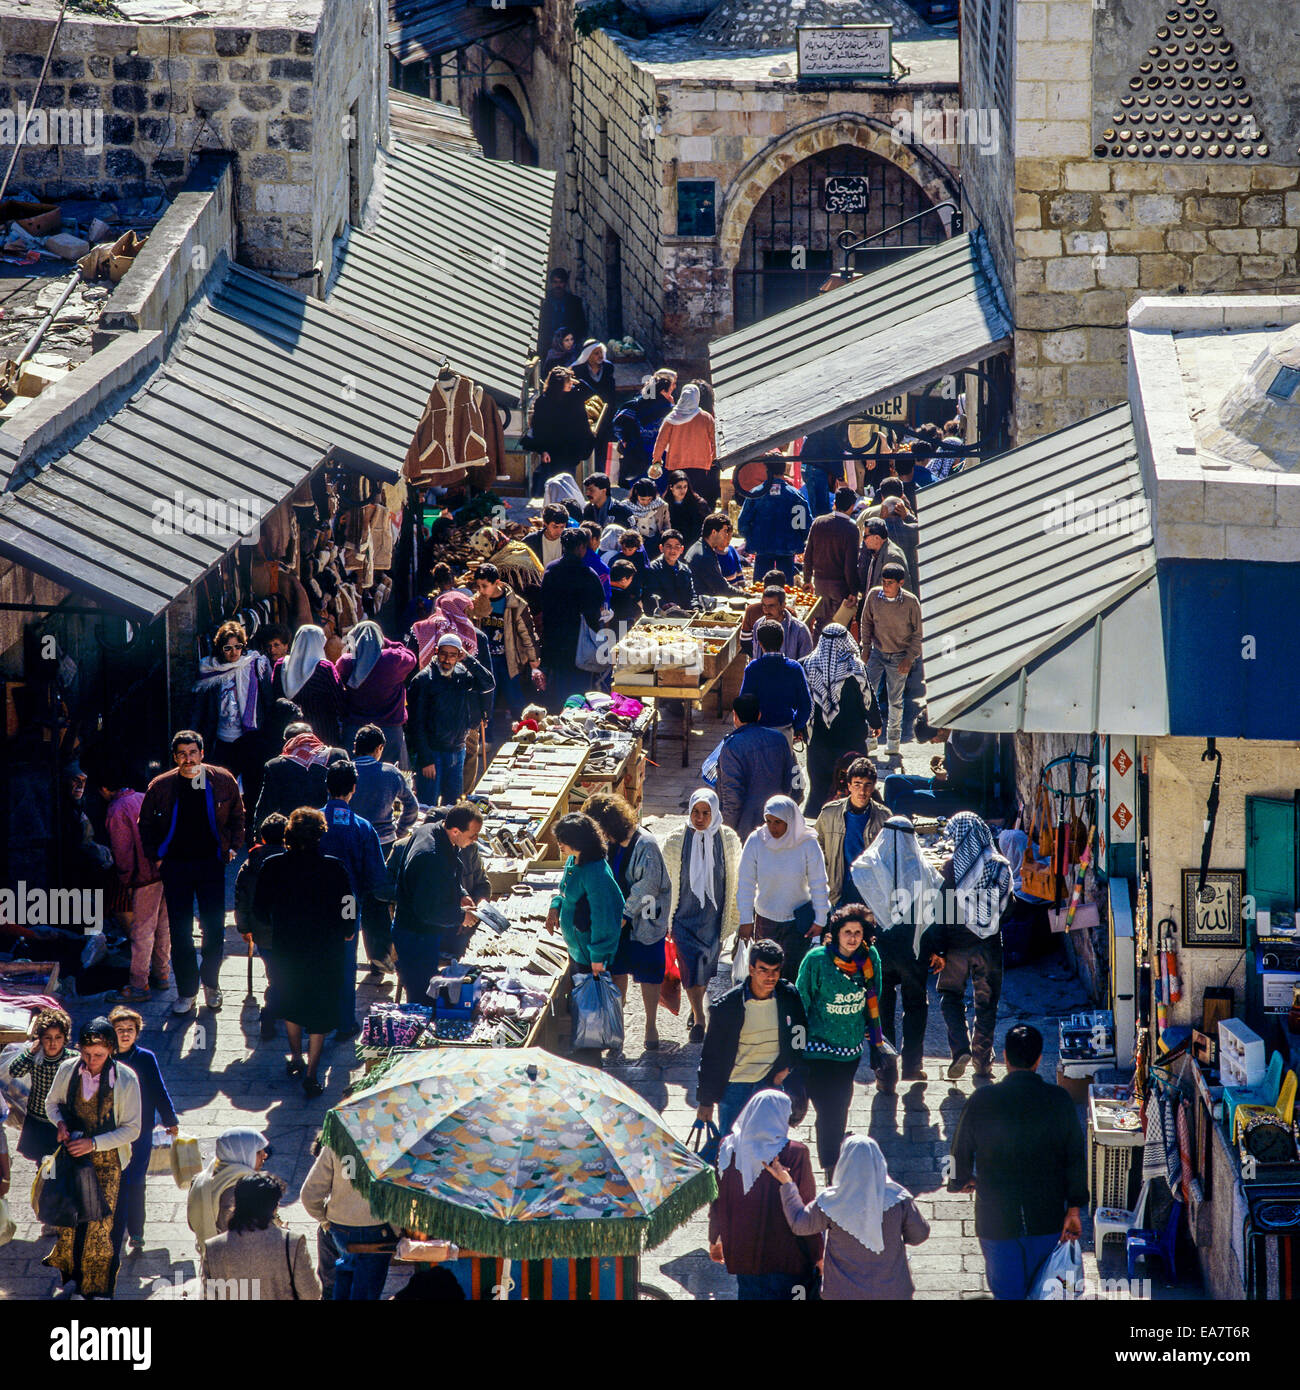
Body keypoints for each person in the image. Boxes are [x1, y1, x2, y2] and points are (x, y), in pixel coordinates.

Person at [949, 1024, 1088, 1300]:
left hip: (996, 1221)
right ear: (1039, 1060)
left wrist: (960, 1179)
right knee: (1047, 1291)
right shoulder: (1059, 1100)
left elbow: (957, 1152)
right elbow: (1075, 1157)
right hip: (1046, 1219)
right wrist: (1074, 1208)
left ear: (1004, 1057)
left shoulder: (982, 1099)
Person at [138, 730, 244, 1016]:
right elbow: (144, 824)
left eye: (193, 752)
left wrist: (233, 847)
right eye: (182, 754)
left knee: (213, 929)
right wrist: (156, 857)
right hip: (176, 866)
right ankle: (186, 991)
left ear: (202, 753)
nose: (188, 759)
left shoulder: (222, 780)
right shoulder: (161, 786)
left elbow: (237, 815)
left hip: (211, 864)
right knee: (181, 932)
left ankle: (211, 985)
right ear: (175, 757)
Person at [252, 808, 355, 1098]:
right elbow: (348, 905)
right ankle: (312, 1074)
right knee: (320, 1010)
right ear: (321, 834)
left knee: (292, 1002)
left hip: (287, 948)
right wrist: (347, 929)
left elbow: (259, 909)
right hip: (326, 951)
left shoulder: (273, 866)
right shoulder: (335, 867)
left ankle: (296, 1058)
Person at [43, 1017, 142, 1300]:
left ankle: (97, 1289)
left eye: (98, 1055)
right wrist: (60, 1124)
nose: (91, 1060)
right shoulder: (67, 1070)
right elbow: (53, 1104)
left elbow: (131, 1129)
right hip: (73, 1158)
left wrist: (94, 1143)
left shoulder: (126, 1080)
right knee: (73, 1224)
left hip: (108, 1162)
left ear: (111, 1050)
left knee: (101, 1227)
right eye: (86, 1054)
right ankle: (76, 1282)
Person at [768, 1133, 930, 1300]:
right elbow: (920, 1235)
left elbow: (799, 1225)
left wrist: (787, 1184)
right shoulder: (898, 1198)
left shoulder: (831, 1200)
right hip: (892, 1291)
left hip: (842, 1293)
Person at [795, 905, 888, 1179]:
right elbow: (801, 1002)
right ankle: (830, 1164)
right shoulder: (816, 961)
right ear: (835, 934)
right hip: (816, 1051)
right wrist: (795, 1049)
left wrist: (875, 1041)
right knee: (830, 1109)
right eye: (847, 932)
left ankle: (832, 1152)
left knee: (840, 1105)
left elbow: (876, 996)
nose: (852, 938)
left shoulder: (871, 960)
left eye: (857, 932)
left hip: (849, 1053)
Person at [850, 814, 942, 1088]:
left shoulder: (865, 869)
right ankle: (912, 1065)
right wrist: (939, 949)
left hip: (878, 951)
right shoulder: (926, 872)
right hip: (914, 950)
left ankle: (885, 1071)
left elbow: (851, 909)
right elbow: (939, 913)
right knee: (916, 1005)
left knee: (881, 1009)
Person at [922, 812, 1012, 1081]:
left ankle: (960, 1047)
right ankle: (983, 1063)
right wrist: (988, 920)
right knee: (987, 1004)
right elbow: (1010, 908)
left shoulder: (950, 868)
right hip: (989, 948)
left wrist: (939, 949)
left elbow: (941, 912)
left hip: (956, 948)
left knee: (950, 996)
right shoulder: (1000, 865)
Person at [708, 1088, 820, 1301]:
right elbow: (806, 1208)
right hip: (788, 1256)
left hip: (744, 1253)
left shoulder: (727, 1147)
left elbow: (718, 1197)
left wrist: (715, 1238)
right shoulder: (794, 1153)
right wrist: (818, 1254)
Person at [586, 793, 672, 1053]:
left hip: (644, 920)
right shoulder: (609, 845)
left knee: (649, 973)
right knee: (617, 970)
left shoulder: (646, 845)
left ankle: (651, 1025)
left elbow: (648, 886)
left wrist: (624, 915)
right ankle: (616, 1025)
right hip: (618, 922)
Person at [695, 939, 807, 1138]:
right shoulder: (727, 1006)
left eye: (775, 970)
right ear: (751, 969)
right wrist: (705, 1101)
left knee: (771, 1145)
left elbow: (800, 1036)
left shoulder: (789, 997)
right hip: (735, 1086)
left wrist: (787, 1068)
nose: (770, 977)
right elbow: (711, 1056)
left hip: (771, 1082)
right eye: (763, 970)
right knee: (731, 1150)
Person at [663, 790, 742, 1044]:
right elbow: (666, 882)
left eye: (705, 813)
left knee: (705, 969)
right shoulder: (676, 840)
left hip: (714, 918)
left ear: (714, 812)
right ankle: (699, 1018)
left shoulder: (727, 839)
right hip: (683, 917)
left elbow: (737, 879)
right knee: (688, 967)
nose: (699, 818)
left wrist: (741, 914)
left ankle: (695, 1005)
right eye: (695, 812)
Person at [320, 761, 391, 1040]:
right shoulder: (362, 827)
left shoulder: (311, 821)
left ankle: (317, 1018)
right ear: (353, 789)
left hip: (313, 903)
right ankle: (345, 1022)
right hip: (349, 904)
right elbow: (376, 876)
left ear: (327, 786)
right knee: (346, 963)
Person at [390, 802, 484, 1006]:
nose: (475, 840)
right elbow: (428, 912)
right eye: (472, 835)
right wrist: (461, 916)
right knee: (421, 997)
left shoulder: (435, 830)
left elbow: (448, 875)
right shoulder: (430, 857)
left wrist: (461, 894)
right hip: (416, 935)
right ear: (456, 831)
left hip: (424, 932)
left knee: (426, 990)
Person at [107, 1006, 178, 1257]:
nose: (125, 1035)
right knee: (113, 1180)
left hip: (140, 1131)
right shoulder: (103, 1058)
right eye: (119, 1030)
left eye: (130, 1030)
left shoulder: (145, 1058)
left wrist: (170, 1119)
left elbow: (159, 1089)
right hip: (110, 1132)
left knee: (136, 1181)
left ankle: (136, 1231)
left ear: (137, 1033)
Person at [98, 762, 170, 1003]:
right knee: (163, 927)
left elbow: (122, 850)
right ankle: (162, 975)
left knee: (142, 931)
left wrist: (127, 879)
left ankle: (139, 984)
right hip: (167, 871)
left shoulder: (116, 808)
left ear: (106, 789)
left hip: (144, 876)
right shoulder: (145, 797)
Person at [737, 795, 830, 983]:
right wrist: (746, 919)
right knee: (766, 975)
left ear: (790, 820)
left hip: (797, 923)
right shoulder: (756, 841)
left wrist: (821, 918)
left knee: (791, 974)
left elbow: (818, 883)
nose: (773, 827)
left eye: (778, 822)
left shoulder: (808, 843)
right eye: (769, 821)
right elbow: (746, 883)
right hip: (766, 919)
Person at [191, 619, 274, 819]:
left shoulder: (255, 664)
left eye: (238, 647)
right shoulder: (209, 670)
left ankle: (250, 826)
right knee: (219, 786)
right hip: (221, 738)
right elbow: (200, 709)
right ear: (220, 649)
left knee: (254, 786)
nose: (234, 653)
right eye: (228, 648)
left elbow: (268, 699)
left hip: (249, 737)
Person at [202, 1173, 321, 1301]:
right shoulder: (291, 1243)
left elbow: (208, 1296)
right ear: (274, 1208)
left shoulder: (213, 1248)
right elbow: (311, 1293)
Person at [300, 1139, 393, 1302]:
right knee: (368, 1290)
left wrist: (325, 1220)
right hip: (379, 1229)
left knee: (343, 1281)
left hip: (341, 1228)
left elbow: (309, 1194)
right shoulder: (394, 1142)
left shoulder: (337, 1141)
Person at [406, 634, 494, 805]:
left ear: (458, 655)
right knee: (428, 806)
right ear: (436, 652)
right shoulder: (423, 680)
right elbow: (415, 725)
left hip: (457, 751)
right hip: (433, 753)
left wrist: (468, 660)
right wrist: (426, 759)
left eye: (453, 655)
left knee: (452, 807)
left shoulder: (461, 674)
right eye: (444, 654)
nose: (447, 660)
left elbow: (488, 684)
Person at [800, 623, 877, 816]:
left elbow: (801, 702)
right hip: (851, 744)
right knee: (853, 791)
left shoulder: (806, 666)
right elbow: (868, 700)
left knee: (818, 790)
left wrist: (799, 729)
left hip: (819, 744)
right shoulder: (857, 669)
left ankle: (814, 831)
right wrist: (876, 723)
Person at [545, 813, 625, 988]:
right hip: (576, 951)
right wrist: (555, 907)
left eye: (563, 840)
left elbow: (603, 918)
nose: (559, 844)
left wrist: (598, 958)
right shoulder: (573, 860)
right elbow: (565, 893)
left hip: (590, 959)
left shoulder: (596, 872)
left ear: (578, 841)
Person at [538, 527, 606, 711]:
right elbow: (595, 612)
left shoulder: (551, 570)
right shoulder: (587, 574)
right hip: (578, 643)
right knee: (579, 692)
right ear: (582, 547)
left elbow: (543, 603)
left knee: (558, 688)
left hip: (554, 641)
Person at [235, 811, 288, 1041]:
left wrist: (243, 928)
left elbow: (241, 899)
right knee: (284, 974)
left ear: (262, 838)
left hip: (261, 930)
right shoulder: (291, 862)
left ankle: (275, 1007)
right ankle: (272, 1011)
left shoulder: (250, 864)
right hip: (289, 931)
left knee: (274, 972)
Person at [717, 693, 799, 841]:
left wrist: (725, 832)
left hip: (746, 831)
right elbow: (794, 781)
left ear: (735, 716)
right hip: (778, 824)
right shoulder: (779, 739)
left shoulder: (732, 747)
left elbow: (732, 797)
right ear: (759, 715)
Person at [883, 714, 998, 819]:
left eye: (932, 739)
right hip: (948, 785)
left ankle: (900, 834)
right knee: (892, 782)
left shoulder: (965, 742)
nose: (933, 743)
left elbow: (961, 780)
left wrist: (943, 776)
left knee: (904, 800)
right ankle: (886, 824)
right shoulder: (950, 738)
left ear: (941, 731)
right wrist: (944, 762)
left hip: (965, 798)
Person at [860, 563, 922, 757]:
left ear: (900, 583)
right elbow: (866, 622)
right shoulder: (873, 596)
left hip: (899, 655)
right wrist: (866, 647)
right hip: (877, 653)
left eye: (890, 583)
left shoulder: (911, 603)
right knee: (867, 696)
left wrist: (909, 658)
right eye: (884, 582)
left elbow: (918, 634)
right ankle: (869, 738)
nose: (886, 586)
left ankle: (893, 740)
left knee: (895, 700)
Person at [471, 562, 541, 734]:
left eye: (485, 586)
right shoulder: (476, 603)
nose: (481, 590)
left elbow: (527, 633)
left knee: (516, 699)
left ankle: (526, 733)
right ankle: (485, 739)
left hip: (508, 659)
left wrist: (533, 659)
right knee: (487, 700)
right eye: (478, 586)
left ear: (498, 583)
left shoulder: (515, 604)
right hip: (485, 660)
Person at [335, 619, 417, 766]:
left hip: (355, 730)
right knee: (393, 776)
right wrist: (386, 642)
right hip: (390, 731)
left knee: (355, 778)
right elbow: (411, 657)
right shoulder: (393, 659)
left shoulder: (346, 662)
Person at [815, 756, 890, 909]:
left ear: (874, 786)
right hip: (838, 887)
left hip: (870, 888)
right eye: (857, 784)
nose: (862, 791)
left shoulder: (884, 817)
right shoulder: (829, 813)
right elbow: (816, 847)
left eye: (868, 785)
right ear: (849, 786)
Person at [4, 1007, 75, 1163]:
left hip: (62, 1120)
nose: (53, 1043)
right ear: (40, 1039)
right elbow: (14, 1071)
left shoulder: (73, 1060)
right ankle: (43, 1186)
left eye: (58, 1037)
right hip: (38, 1119)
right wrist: (32, 1051)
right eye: (47, 1038)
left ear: (65, 1038)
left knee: (60, 1162)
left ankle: (51, 1187)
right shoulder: (36, 1058)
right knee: (42, 1162)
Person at [188, 1128, 272, 1253]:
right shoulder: (242, 1191)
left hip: (212, 1258)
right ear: (244, 1153)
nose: (265, 1155)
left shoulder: (201, 1179)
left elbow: (192, 1224)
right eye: (259, 1151)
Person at [253, 722, 347, 825]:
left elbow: (266, 806)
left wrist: (258, 833)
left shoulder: (275, 765)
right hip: (330, 825)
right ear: (312, 736)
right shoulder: (337, 755)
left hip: (293, 830)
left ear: (286, 741)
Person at [737, 452, 811, 582]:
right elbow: (804, 525)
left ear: (766, 469)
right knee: (786, 589)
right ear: (784, 469)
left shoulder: (756, 493)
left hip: (762, 548)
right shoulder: (795, 495)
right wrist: (798, 539)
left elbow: (743, 523)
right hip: (787, 549)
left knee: (760, 587)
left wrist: (750, 537)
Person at [740, 620, 812, 747]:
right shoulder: (794, 668)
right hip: (785, 732)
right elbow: (805, 705)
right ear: (782, 640)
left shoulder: (753, 669)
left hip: (758, 733)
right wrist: (795, 726)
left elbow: (744, 705)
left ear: (760, 643)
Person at [270, 624, 343, 747]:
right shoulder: (324, 668)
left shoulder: (280, 665)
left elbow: (275, 698)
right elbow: (338, 699)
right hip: (323, 733)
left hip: (290, 733)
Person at [802, 486, 860, 636]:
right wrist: (853, 590)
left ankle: (816, 656)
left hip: (820, 584)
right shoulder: (851, 529)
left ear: (835, 503)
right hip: (840, 587)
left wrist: (807, 579)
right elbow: (850, 565)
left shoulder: (819, 522)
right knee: (839, 628)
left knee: (819, 624)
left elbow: (808, 554)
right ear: (852, 507)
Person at [652, 383, 718, 505]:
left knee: (677, 497)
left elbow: (660, 442)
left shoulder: (671, 418)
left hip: (676, 465)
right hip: (700, 465)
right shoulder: (706, 418)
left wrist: (656, 460)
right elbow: (715, 442)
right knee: (697, 497)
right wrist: (713, 459)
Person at [528, 366, 596, 485]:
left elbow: (591, 392)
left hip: (572, 448)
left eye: (571, 381)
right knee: (554, 482)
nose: (570, 384)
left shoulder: (574, 395)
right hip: (554, 449)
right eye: (567, 382)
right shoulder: (544, 401)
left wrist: (576, 381)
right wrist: (543, 450)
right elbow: (538, 428)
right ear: (558, 384)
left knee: (568, 480)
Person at [611, 369, 675, 486]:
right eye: (669, 390)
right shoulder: (668, 409)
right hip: (660, 456)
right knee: (658, 488)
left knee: (639, 489)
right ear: (661, 391)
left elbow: (617, 424)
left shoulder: (633, 406)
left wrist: (624, 440)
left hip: (636, 454)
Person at [409, 590, 479, 672]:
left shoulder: (421, 627)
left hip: (425, 679)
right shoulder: (470, 633)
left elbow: (409, 660)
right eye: (465, 610)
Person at [740, 581, 812, 661]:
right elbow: (756, 655)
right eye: (764, 605)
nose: (766, 610)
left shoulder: (800, 630)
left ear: (783, 605)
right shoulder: (758, 624)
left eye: (771, 606)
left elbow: (805, 664)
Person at [572, 340, 618, 459]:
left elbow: (611, 390)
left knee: (604, 441)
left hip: (606, 409)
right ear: (588, 355)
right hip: (588, 412)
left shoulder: (608, 367)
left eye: (601, 353)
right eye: (596, 353)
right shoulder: (578, 370)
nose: (600, 356)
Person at [798, 420, 848, 519]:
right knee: (821, 510)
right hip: (816, 466)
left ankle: (819, 529)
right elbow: (833, 450)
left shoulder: (824, 420)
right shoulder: (835, 424)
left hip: (810, 464)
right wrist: (840, 477)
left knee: (817, 507)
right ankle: (821, 531)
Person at [640, 528, 697, 614]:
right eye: (668, 546)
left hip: (683, 616)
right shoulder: (653, 569)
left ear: (682, 549)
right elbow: (651, 596)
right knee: (622, 625)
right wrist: (666, 605)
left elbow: (692, 594)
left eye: (676, 546)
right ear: (661, 548)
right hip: (661, 617)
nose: (673, 550)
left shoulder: (685, 570)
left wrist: (696, 607)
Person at [686, 513, 745, 595]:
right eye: (724, 531)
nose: (727, 535)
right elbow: (722, 588)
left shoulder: (700, 547)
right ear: (714, 532)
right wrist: (748, 596)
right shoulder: (705, 556)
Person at [536, 266, 587, 359]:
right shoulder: (545, 302)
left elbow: (581, 325)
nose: (558, 285)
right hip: (549, 347)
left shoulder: (575, 302)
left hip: (570, 348)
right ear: (551, 283)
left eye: (561, 282)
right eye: (555, 282)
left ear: (565, 283)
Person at [857, 516, 911, 596]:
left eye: (865, 536)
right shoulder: (876, 552)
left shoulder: (892, 557)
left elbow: (894, 594)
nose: (863, 540)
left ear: (877, 538)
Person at [663, 469, 711, 546]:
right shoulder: (664, 505)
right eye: (679, 487)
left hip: (694, 542)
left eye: (685, 487)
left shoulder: (698, 503)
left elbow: (707, 526)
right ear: (671, 487)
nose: (683, 490)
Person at [625, 477, 669, 557]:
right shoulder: (626, 506)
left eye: (649, 499)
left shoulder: (661, 505)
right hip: (634, 545)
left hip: (655, 544)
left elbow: (667, 525)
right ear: (636, 494)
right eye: (642, 499)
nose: (646, 502)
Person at [522, 503, 571, 569]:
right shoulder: (531, 541)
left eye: (562, 527)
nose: (559, 531)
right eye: (555, 527)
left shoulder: (570, 540)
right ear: (545, 523)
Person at [607, 558, 643, 632]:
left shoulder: (602, 590)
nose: (631, 581)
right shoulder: (624, 598)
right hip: (614, 638)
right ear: (624, 579)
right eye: (631, 578)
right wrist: (638, 609)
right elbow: (626, 626)